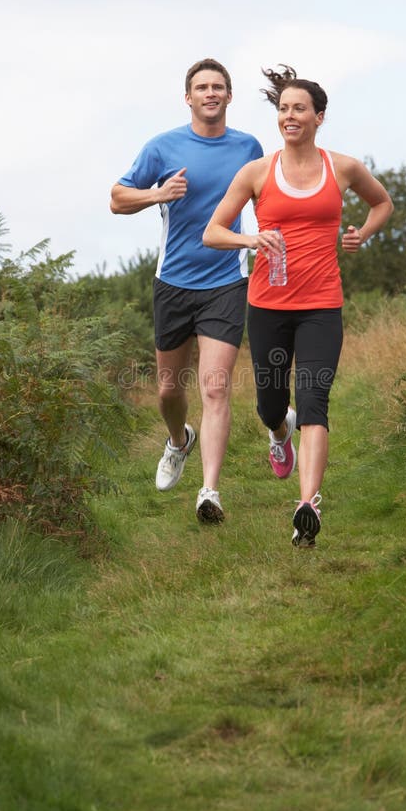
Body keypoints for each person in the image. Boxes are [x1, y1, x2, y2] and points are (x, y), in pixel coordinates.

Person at [203, 65, 393, 547]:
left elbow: (382, 203)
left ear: (319, 117)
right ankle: (278, 431)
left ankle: (306, 506)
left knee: (314, 402)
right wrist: (251, 238)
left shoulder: (342, 167)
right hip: (267, 306)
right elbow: (213, 231)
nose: (290, 116)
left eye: (299, 109)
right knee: (272, 406)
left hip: (321, 307)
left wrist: (361, 234)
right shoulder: (258, 172)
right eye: (284, 109)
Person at [110, 58, 263, 525]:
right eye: (202, 87)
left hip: (226, 279)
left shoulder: (248, 147)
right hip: (173, 281)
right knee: (168, 390)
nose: (211, 93)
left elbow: (266, 199)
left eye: (218, 87)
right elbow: (117, 198)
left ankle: (210, 492)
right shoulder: (162, 147)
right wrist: (157, 194)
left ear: (230, 96)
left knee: (216, 386)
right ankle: (179, 440)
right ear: (188, 97)